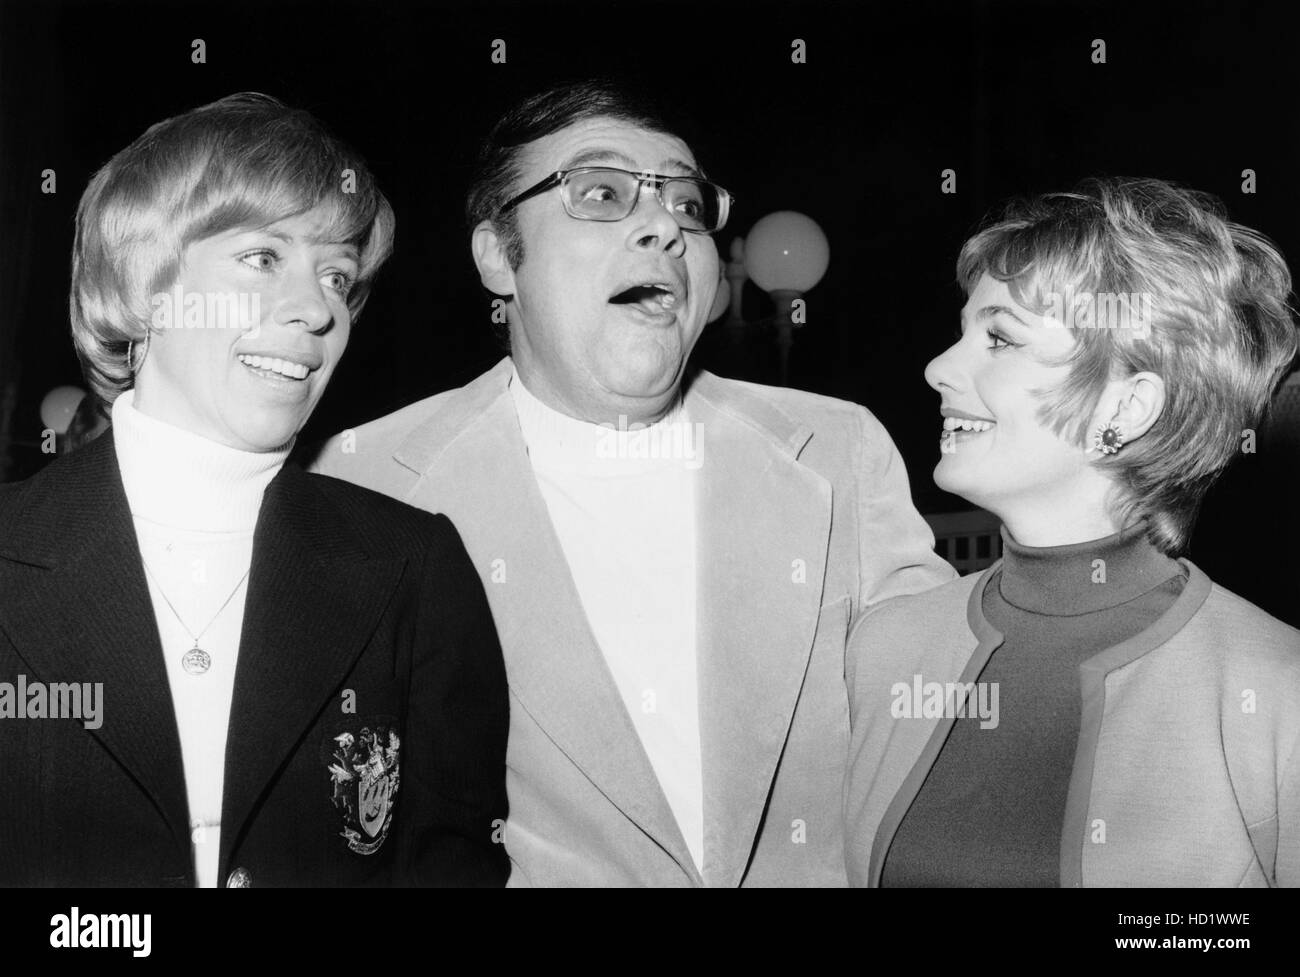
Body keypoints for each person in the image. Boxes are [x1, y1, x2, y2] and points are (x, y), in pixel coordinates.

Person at [310, 80, 954, 886]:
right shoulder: (367, 479)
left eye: (687, 205)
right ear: (496, 257)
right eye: (602, 193)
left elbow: (942, 739)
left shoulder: (836, 450)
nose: (664, 226)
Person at [0, 93, 509, 887]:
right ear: (146, 277)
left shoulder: (413, 567)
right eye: (263, 258)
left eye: (338, 276)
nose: (317, 309)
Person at [844, 177, 1300, 887]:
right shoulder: (881, 648)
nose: (938, 368)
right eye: (963, 331)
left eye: (998, 337)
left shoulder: (1276, 693)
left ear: (1127, 405)